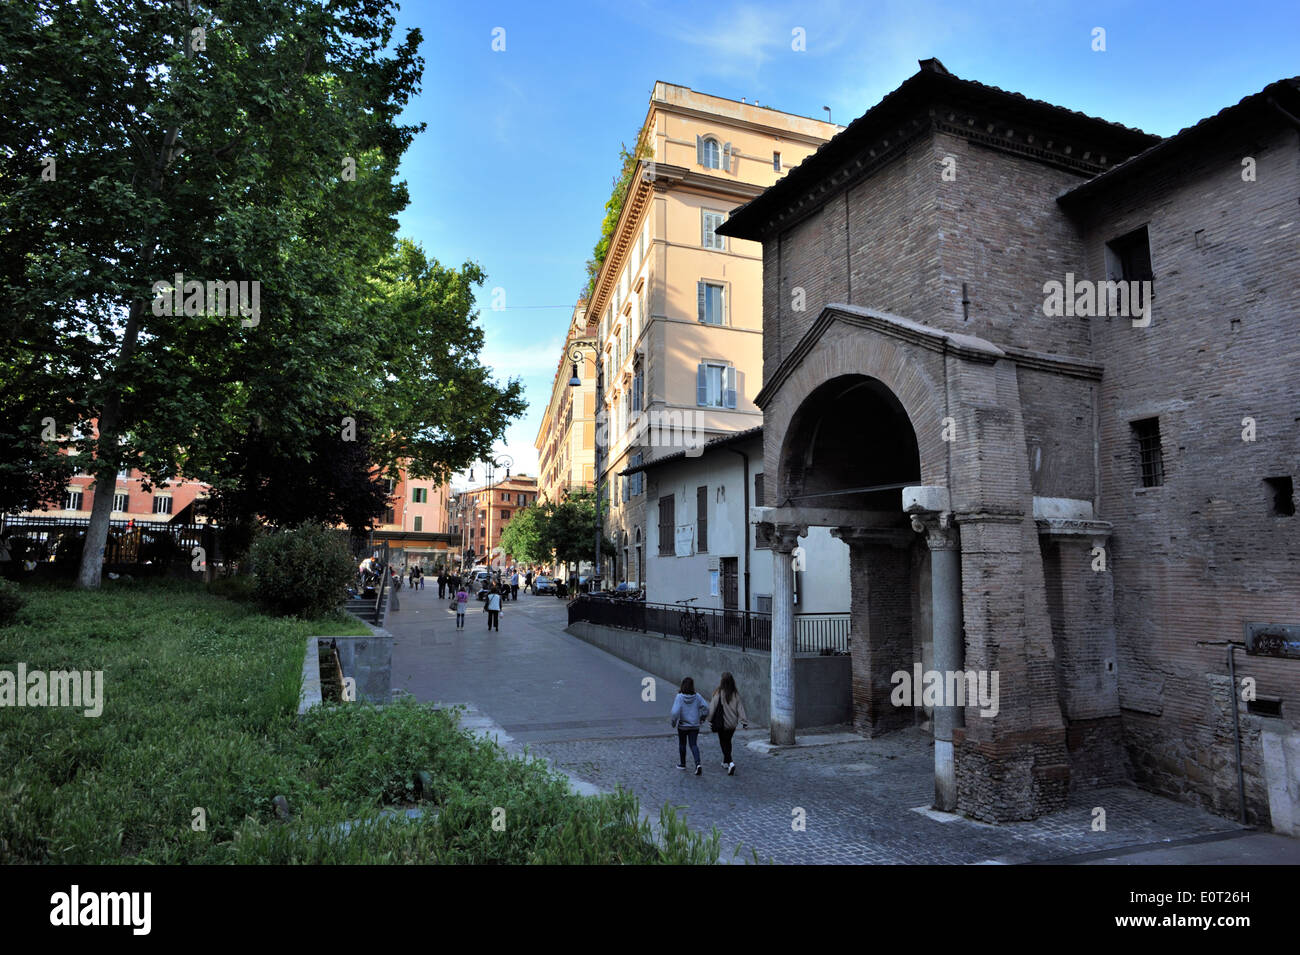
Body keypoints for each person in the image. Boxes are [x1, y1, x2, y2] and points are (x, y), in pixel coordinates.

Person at [706, 671, 749, 776]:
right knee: (728, 741)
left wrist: (709, 719)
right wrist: (744, 721)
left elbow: (712, 708)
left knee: (723, 742)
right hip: (732, 724)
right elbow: (740, 708)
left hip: (722, 724)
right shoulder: (735, 694)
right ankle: (725, 762)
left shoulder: (718, 693)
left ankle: (730, 762)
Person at [670, 677, 711, 775]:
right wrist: (702, 717)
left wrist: (673, 722)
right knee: (693, 744)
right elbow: (706, 707)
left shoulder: (679, 697)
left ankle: (683, 764)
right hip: (694, 725)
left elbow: (675, 712)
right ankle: (698, 764)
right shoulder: (697, 696)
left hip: (683, 725)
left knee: (682, 744)